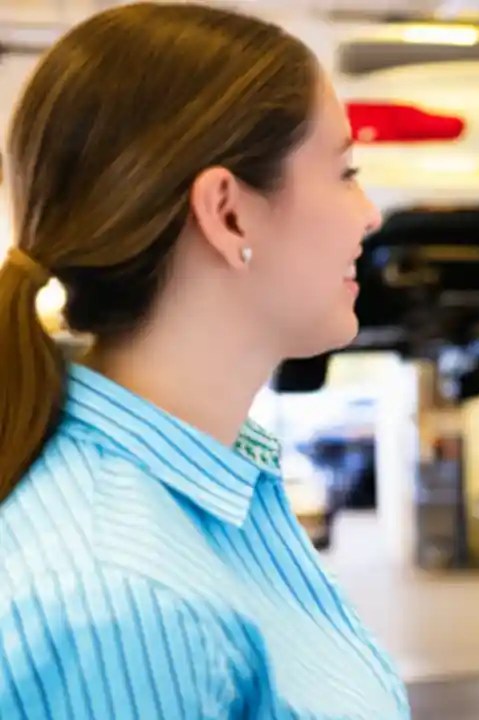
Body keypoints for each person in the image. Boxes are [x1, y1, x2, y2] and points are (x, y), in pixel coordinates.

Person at [0, 3, 410, 718]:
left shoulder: (206, 493)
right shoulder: (122, 606)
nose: (369, 213)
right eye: (345, 171)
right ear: (228, 213)